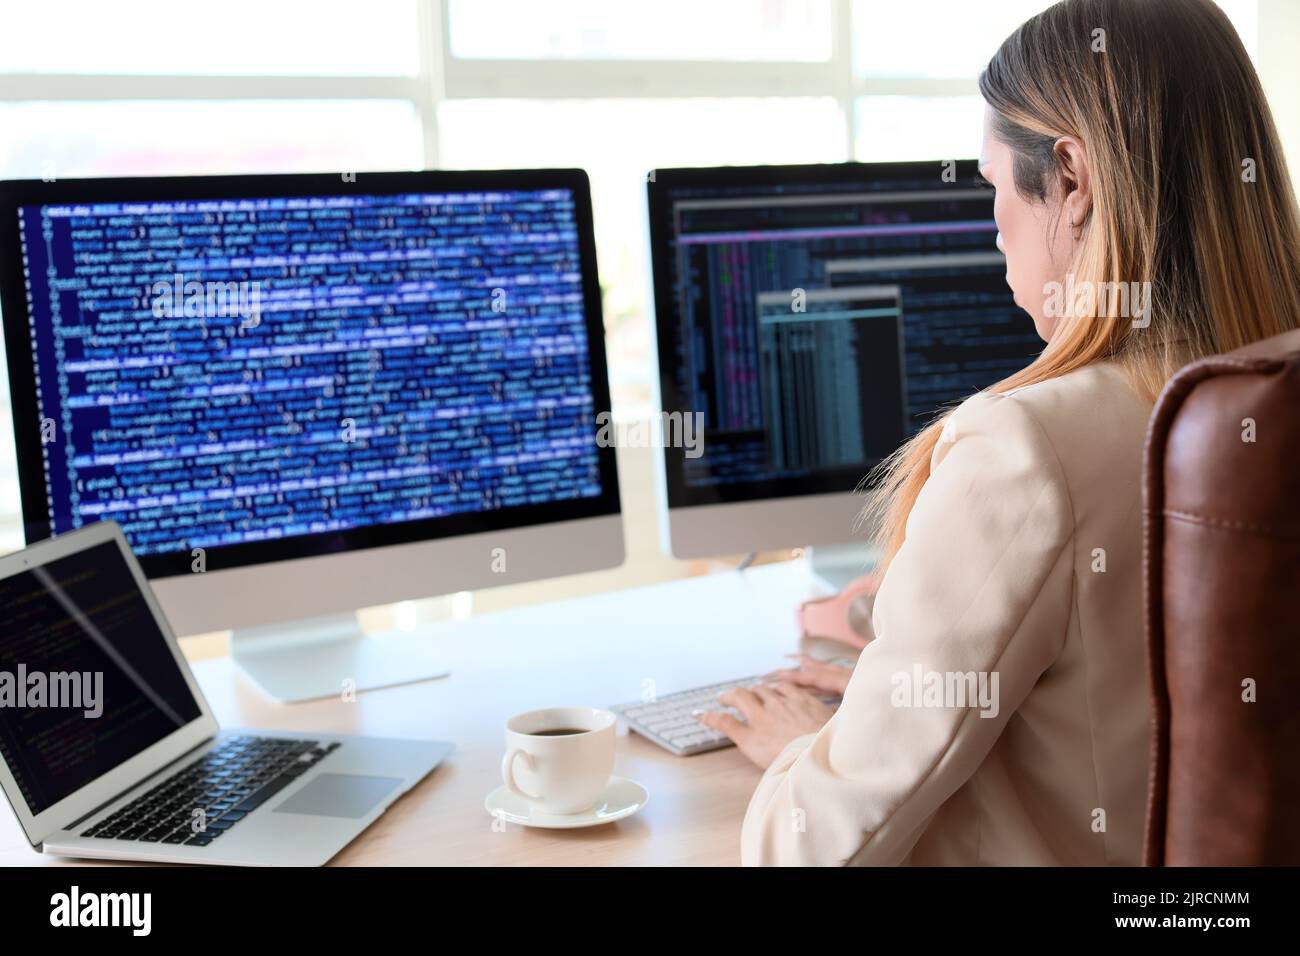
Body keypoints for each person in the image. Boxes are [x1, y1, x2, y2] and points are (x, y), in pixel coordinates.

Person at [695, 0, 1300, 865]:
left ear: (1071, 176)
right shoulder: (1266, 394)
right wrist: (900, 664)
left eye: (992, 186)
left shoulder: (1028, 448)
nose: (992, 228)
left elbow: (817, 849)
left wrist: (800, 751)